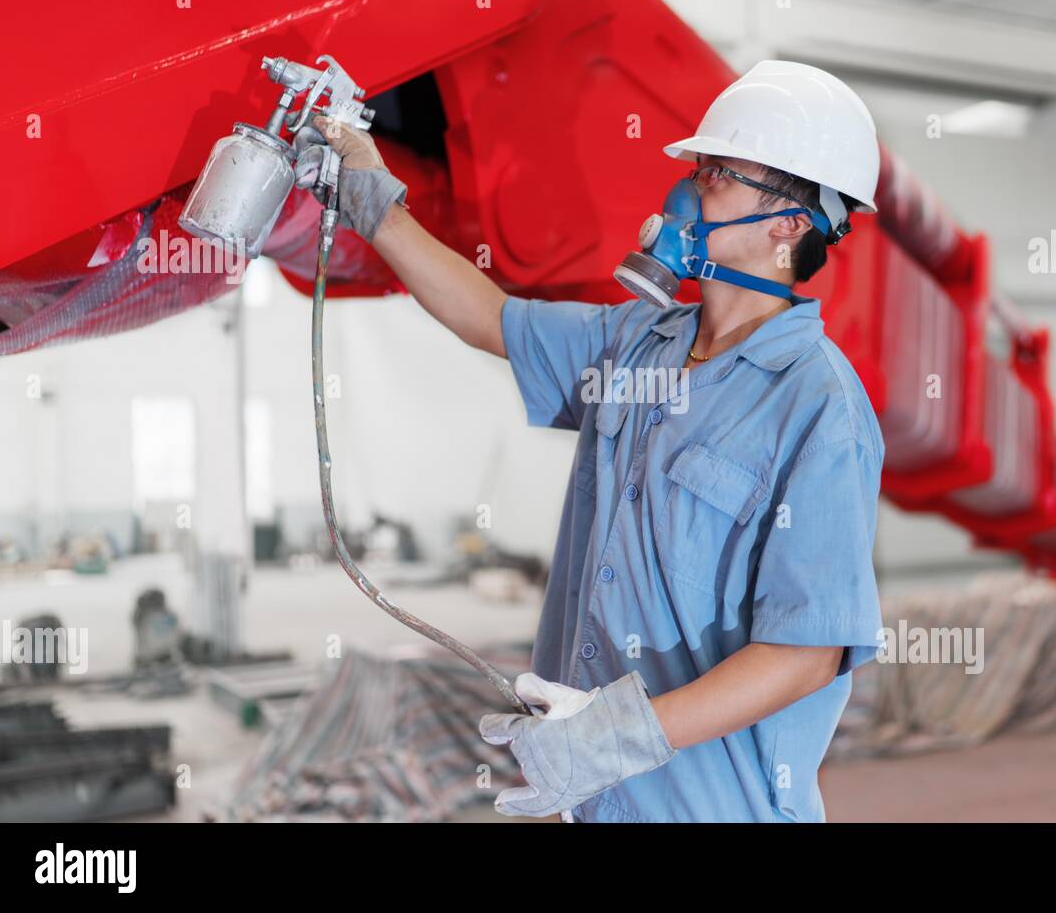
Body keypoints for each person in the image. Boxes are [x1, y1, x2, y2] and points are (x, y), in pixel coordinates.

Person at [308, 60, 885, 822]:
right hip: (602, 801)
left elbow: (807, 651)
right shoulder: (635, 343)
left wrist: (618, 734)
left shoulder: (817, 404)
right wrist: (375, 204)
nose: (690, 189)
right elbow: (490, 317)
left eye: (719, 172)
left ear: (789, 221)